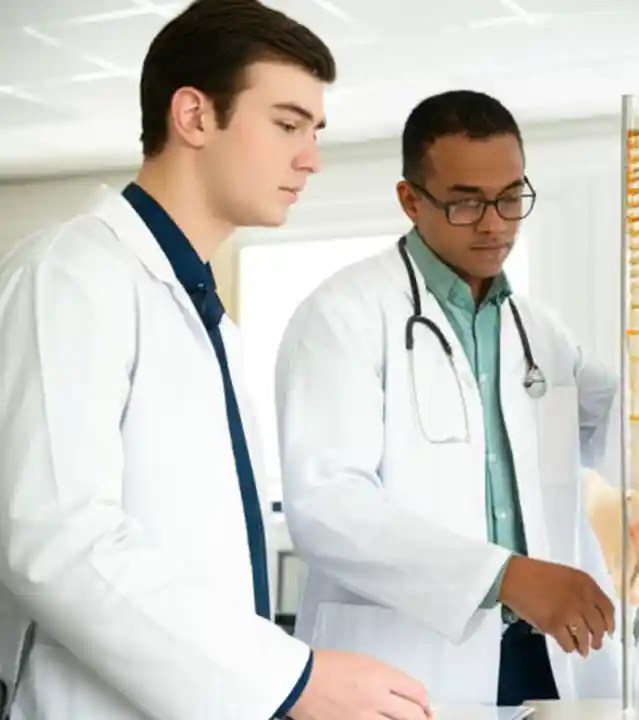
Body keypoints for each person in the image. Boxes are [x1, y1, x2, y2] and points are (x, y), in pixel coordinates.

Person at [0, 1, 432, 719]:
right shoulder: (72, 274)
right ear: (195, 116)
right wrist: (289, 679)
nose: (312, 158)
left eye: (314, 132)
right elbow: (55, 541)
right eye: (288, 124)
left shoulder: (204, 315)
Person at [275, 90, 639, 707]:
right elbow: (328, 507)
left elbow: (625, 441)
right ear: (411, 200)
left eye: (512, 197)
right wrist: (506, 577)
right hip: (405, 657)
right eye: (466, 202)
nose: (495, 223)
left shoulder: (539, 330)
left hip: (541, 654)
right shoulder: (343, 316)